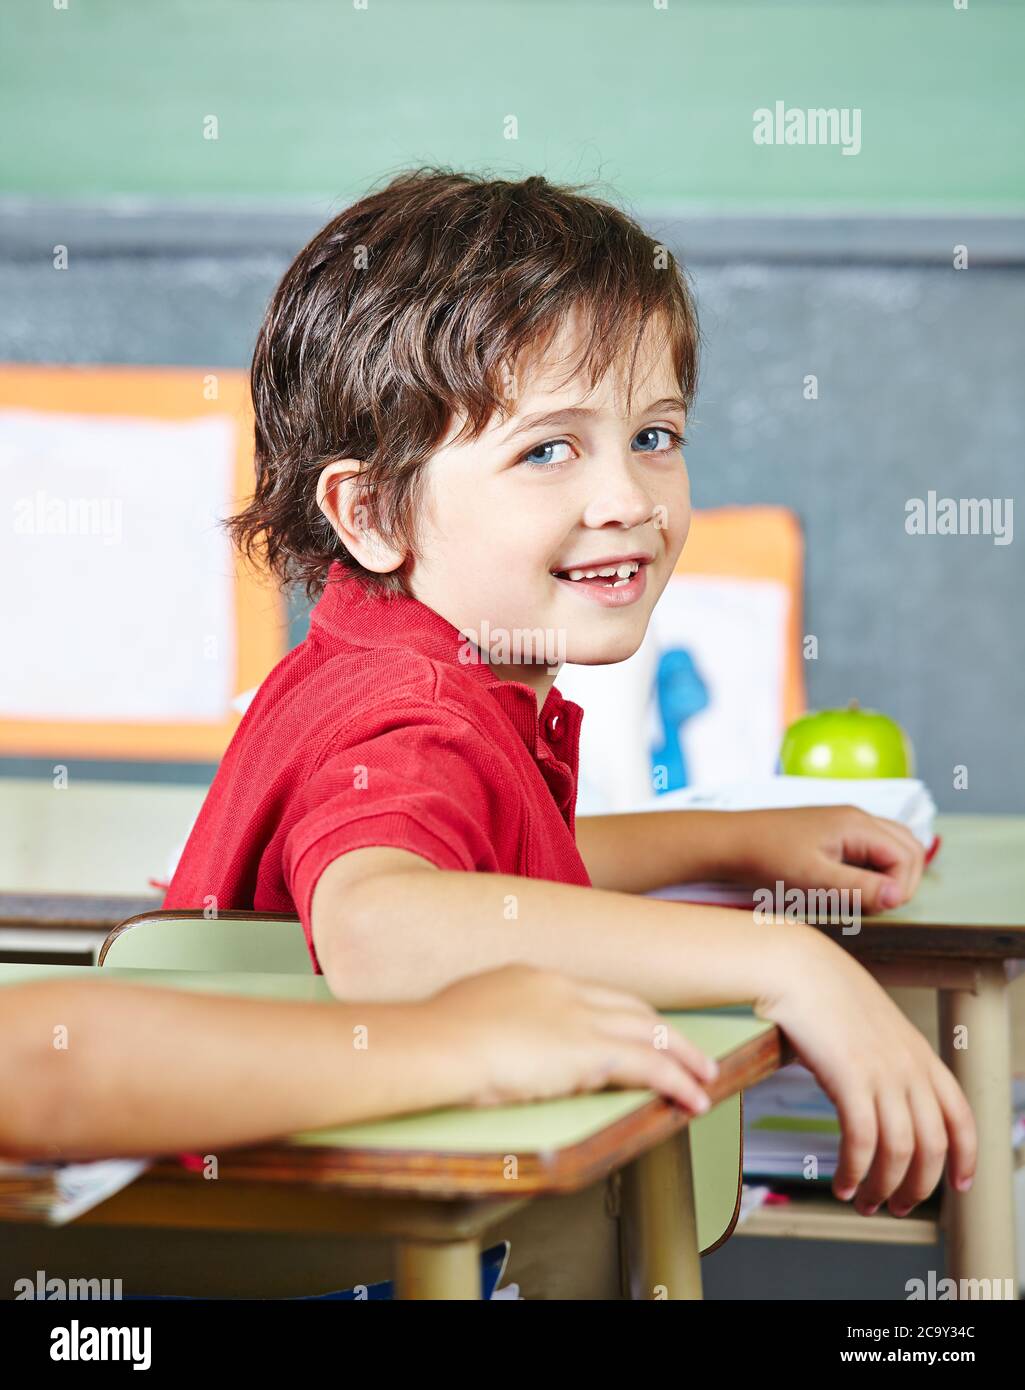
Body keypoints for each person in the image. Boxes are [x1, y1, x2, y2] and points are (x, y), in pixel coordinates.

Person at [165, 168, 976, 1220]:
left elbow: (489, 876)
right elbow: (386, 930)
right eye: (546, 449)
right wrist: (788, 964)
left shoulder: (398, 666)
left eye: (653, 436)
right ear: (370, 511)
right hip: (339, 1266)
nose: (626, 498)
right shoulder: (409, 711)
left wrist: (726, 843)